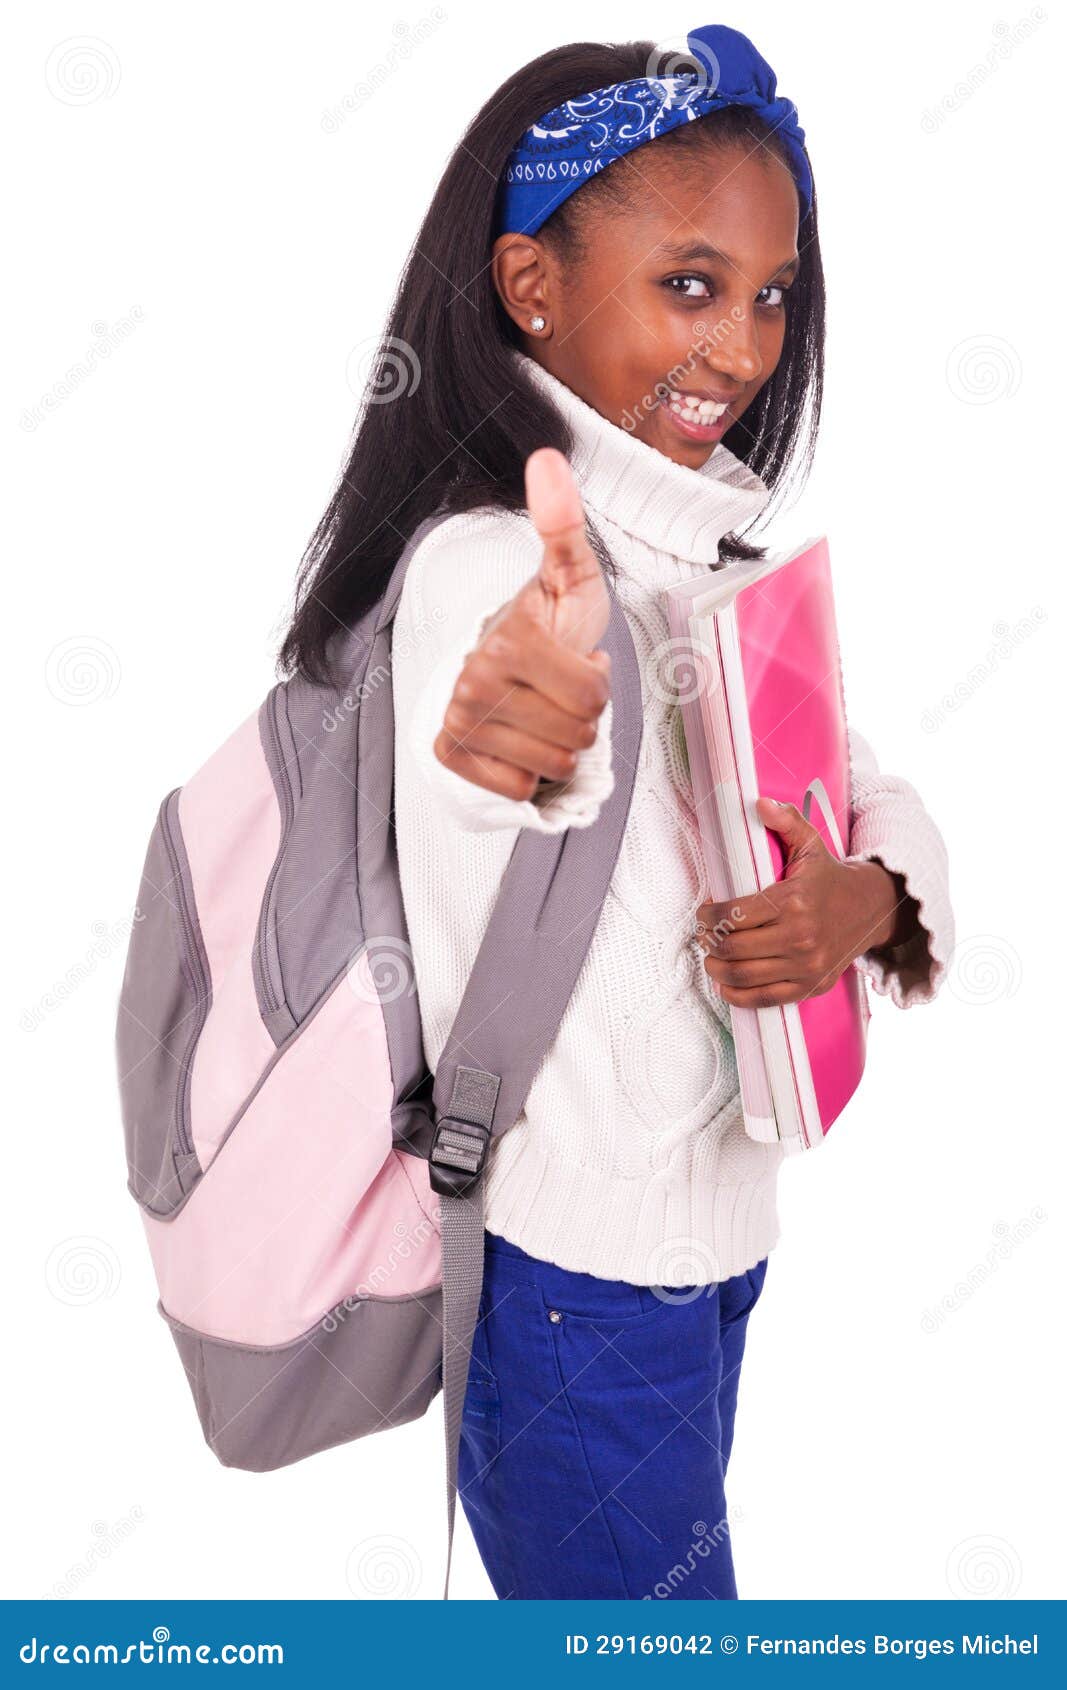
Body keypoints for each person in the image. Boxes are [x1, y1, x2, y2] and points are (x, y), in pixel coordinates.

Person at [280, 23, 954, 1600]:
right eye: (691, 284)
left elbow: (881, 794)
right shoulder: (486, 572)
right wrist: (533, 721)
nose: (741, 344)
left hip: (710, 1254)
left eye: (773, 294)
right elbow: (512, 781)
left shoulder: (705, 563)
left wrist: (866, 898)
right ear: (531, 288)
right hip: (576, 1284)